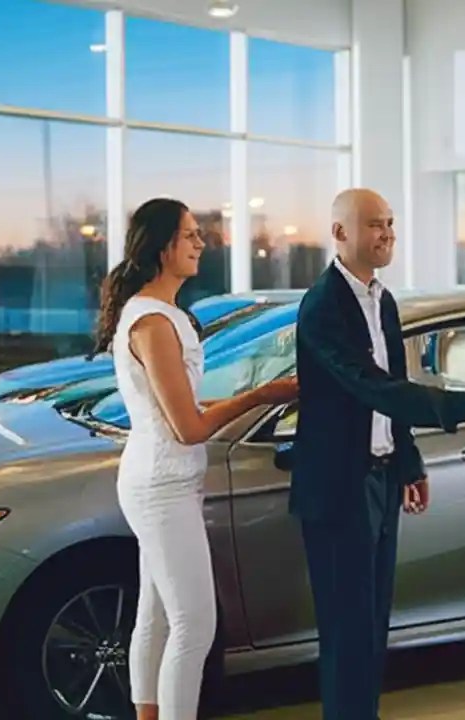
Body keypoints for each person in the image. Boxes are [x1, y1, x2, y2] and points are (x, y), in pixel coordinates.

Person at [92, 197, 298, 720]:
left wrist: (246, 394)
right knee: (194, 624)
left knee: (157, 616)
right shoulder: (154, 323)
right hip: (161, 482)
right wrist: (258, 397)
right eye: (189, 235)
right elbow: (188, 428)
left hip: (162, 478)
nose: (201, 242)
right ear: (162, 248)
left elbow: (177, 406)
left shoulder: (157, 315)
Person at [292, 188, 465, 720]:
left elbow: (395, 384)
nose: (388, 235)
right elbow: (373, 388)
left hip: (379, 480)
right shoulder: (322, 306)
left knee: (373, 627)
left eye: (391, 224)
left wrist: (409, 462)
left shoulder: (383, 299)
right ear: (340, 233)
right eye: (376, 225)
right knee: (347, 632)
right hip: (339, 489)